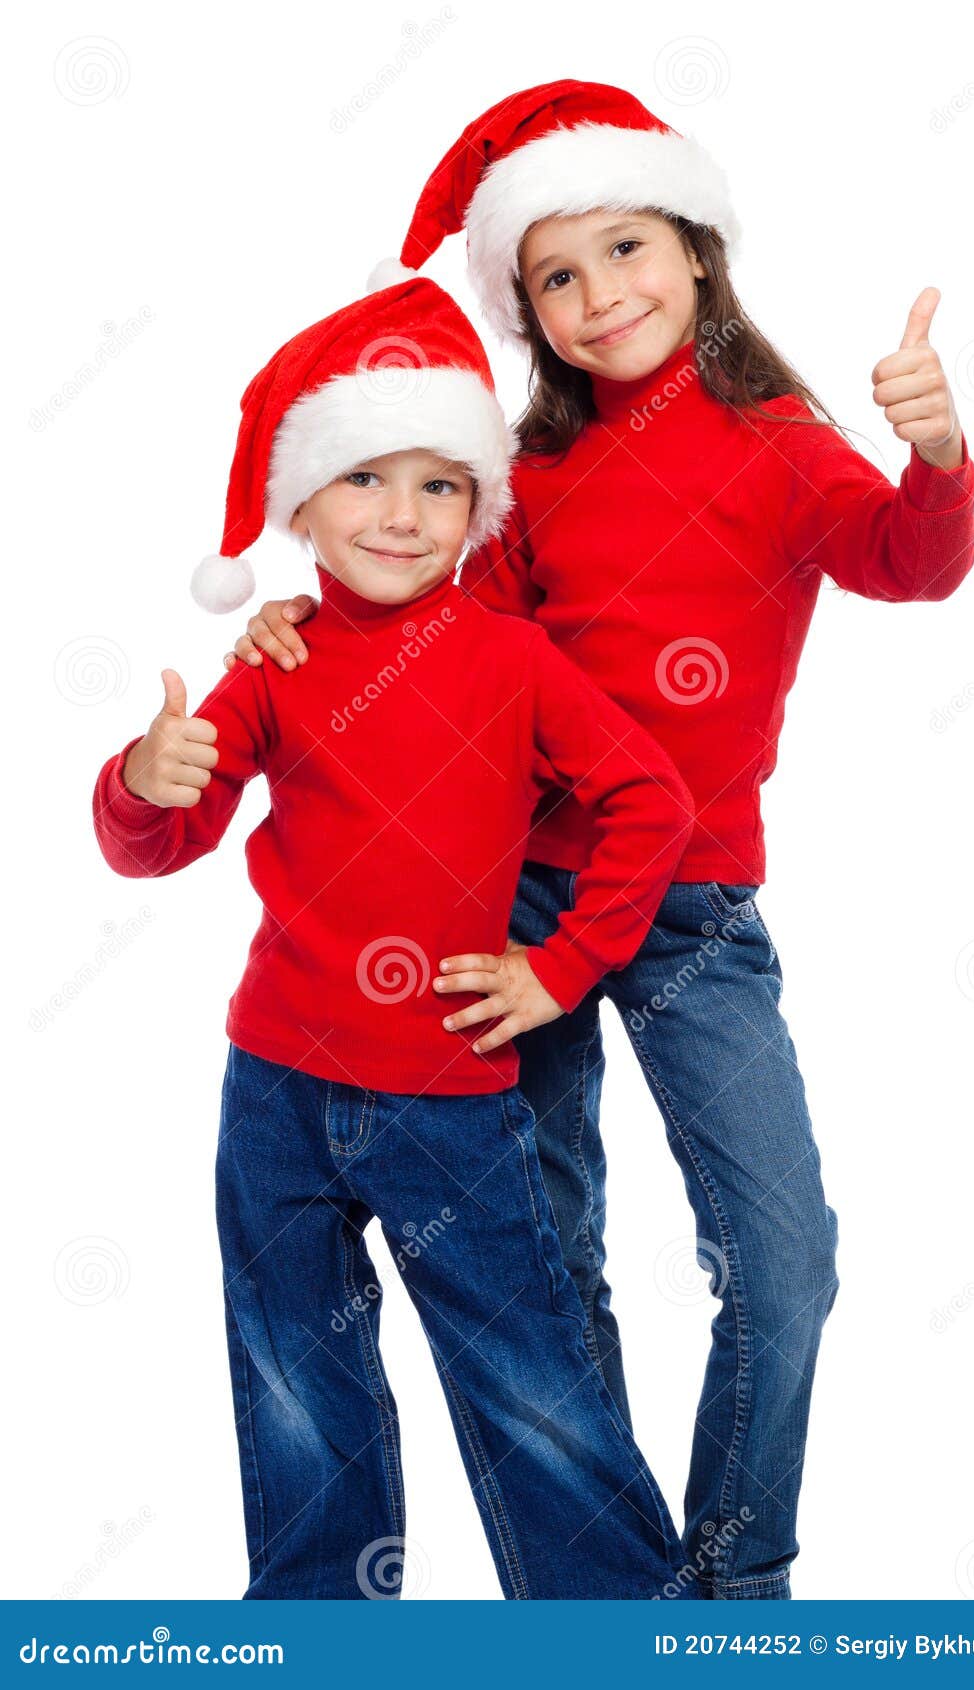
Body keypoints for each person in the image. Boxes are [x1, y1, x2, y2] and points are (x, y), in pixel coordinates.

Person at [223, 81, 974, 1600]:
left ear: (695, 250)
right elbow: (432, 631)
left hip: (693, 910)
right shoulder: (524, 479)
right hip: (515, 907)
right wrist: (294, 617)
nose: (595, 295)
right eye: (553, 278)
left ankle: (730, 1577)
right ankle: (595, 1601)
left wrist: (938, 455)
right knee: (544, 1267)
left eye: (623, 249)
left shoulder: (782, 446)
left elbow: (908, 563)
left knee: (782, 1257)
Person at [92, 268, 701, 1600]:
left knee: (527, 1381)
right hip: (274, 1091)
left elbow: (649, 802)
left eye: (440, 484)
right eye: (366, 478)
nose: (403, 513)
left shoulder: (511, 660)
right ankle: (321, 1626)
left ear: (476, 506)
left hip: (451, 1099)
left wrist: (557, 968)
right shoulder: (279, 658)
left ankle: (618, 1625)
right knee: (293, 1375)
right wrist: (149, 773)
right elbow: (157, 841)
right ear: (301, 501)